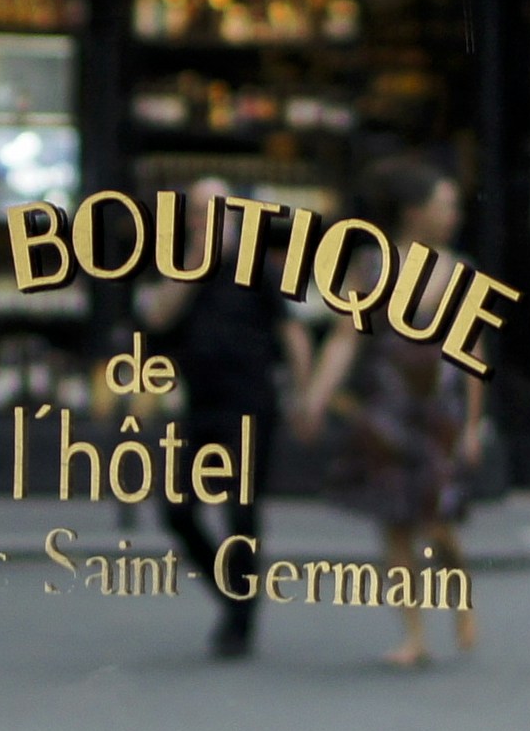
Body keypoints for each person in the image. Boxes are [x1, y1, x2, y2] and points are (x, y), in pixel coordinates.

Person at [304, 160, 488, 668]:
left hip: (439, 415)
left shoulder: (460, 272)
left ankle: (460, 599)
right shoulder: (372, 268)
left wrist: (473, 424)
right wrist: (316, 397)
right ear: (415, 212)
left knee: (438, 523)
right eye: (444, 205)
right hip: (387, 412)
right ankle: (414, 635)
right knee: (394, 523)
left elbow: (472, 352)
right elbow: (344, 339)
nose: (453, 214)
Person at [142, 180, 292, 658]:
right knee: (178, 508)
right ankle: (232, 593)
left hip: (251, 403)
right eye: (201, 212)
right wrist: (192, 267)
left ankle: (239, 620)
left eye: (218, 211)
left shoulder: (256, 270)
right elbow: (159, 318)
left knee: (240, 513)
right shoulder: (180, 267)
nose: (209, 221)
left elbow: (291, 332)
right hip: (200, 405)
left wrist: (306, 394)